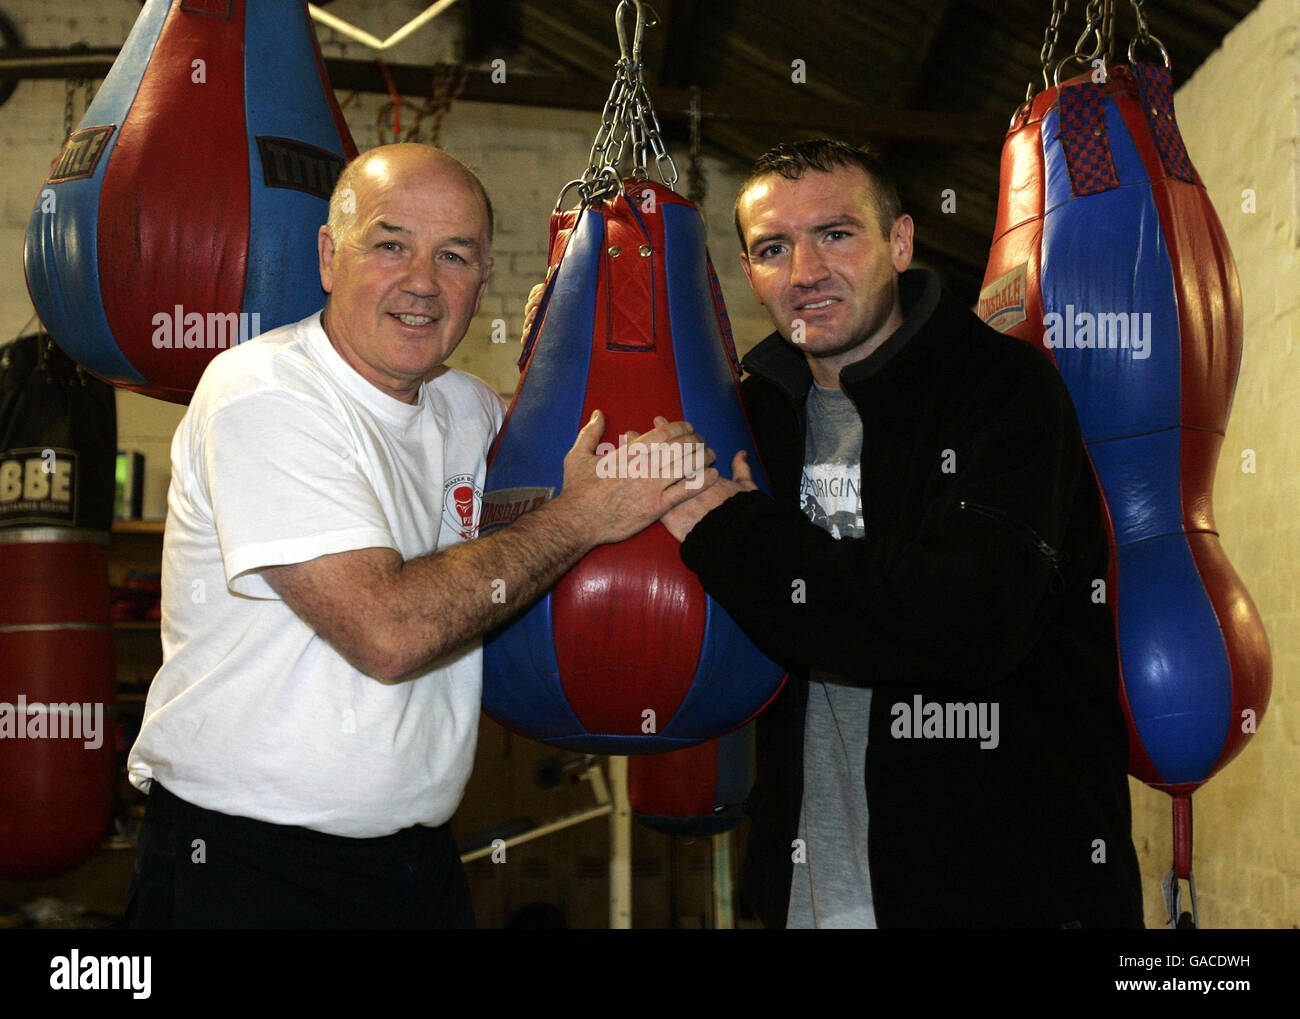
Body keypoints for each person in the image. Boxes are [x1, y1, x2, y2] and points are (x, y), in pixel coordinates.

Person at [125, 143, 716, 929]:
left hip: (416, 863)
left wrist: (588, 355)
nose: (422, 283)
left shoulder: (466, 409)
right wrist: (581, 515)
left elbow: (585, 465)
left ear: (482, 281)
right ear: (330, 257)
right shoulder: (262, 393)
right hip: (245, 868)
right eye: (390, 243)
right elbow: (388, 632)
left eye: (455, 256)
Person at [660, 139, 1144, 929]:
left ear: (902, 241)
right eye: (774, 248)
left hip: (1006, 893)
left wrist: (740, 535)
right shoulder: (751, 417)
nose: (806, 271)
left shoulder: (1003, 391)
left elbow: (966, 618)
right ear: (749, 274)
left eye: (837, 233)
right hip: (813, 893)